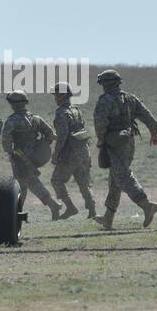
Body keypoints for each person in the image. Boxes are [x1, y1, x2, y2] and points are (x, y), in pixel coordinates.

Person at [92, 70, 157, 230]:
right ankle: (108, 218)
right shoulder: (130, 99)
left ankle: (146, 204)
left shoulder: (105, 100)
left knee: (122, 176)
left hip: (114, 143)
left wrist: (101, 140)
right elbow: (149, 118)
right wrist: (154, 134)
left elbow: (100, 124)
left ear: (104, 84)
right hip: (129, 142)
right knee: (115, 179)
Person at [0, 91, 61, 221]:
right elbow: (51, 135)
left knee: (29, 184)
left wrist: (10, 153)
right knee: (23, 185)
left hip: (20, 158)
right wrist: (43, 143)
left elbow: (5, 140)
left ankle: (53, 205)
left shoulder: (12, 121)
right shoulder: (36, 119)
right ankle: (18, 214)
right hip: (34, 157)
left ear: (13, 104)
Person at [49, 81, 96, 219]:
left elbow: (62, 137)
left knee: (56, 180)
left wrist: (55, 154)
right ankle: (92, 211)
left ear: (62, 95)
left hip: (70, 154)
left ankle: (70, 208)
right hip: (83, 152)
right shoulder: (76, 110)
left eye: (56, 95)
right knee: (84, 182)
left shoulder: (61, 113)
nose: (55, 98)